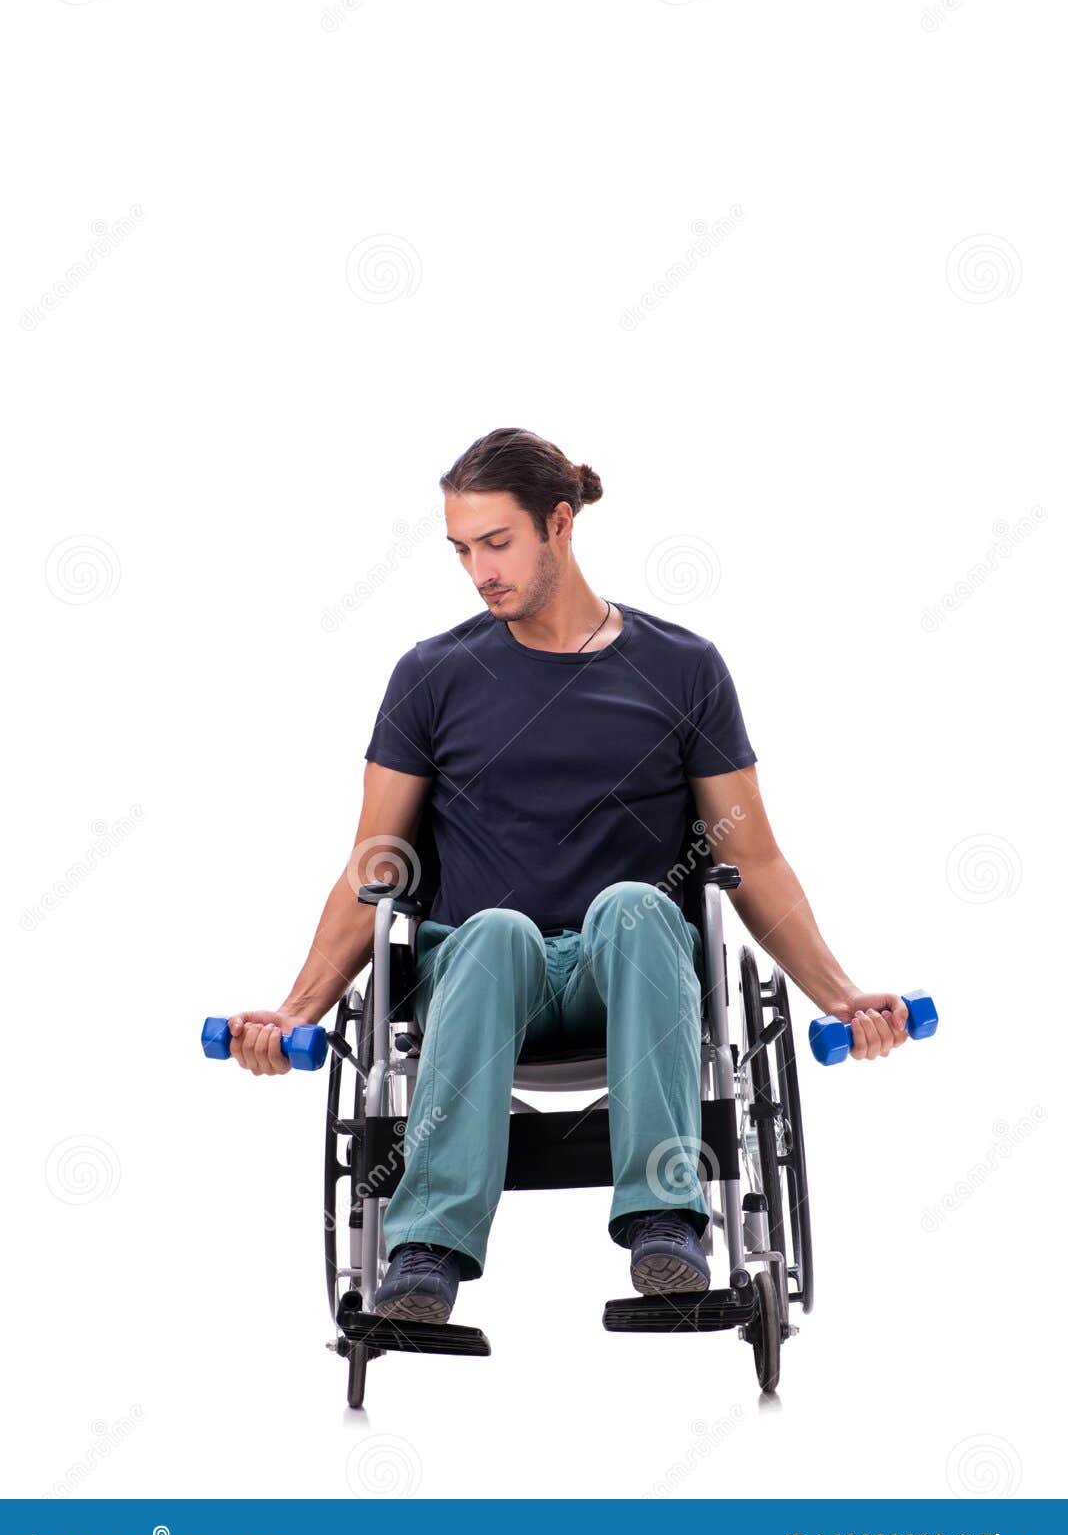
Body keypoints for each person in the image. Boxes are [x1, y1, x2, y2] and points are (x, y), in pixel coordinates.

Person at [227, 427, 911, 1325]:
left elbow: (754, 858)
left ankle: (669, 1224)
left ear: (560, 525)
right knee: (498, 932)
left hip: (625, 975)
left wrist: (840, 994)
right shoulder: (432, 675)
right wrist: (298, 1009)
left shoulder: (681, 668)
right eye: (462, 550)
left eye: (497, 544)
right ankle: (426, 1246)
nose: (479, 571)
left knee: (632, 907)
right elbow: (373, 866)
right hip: (475, 974)